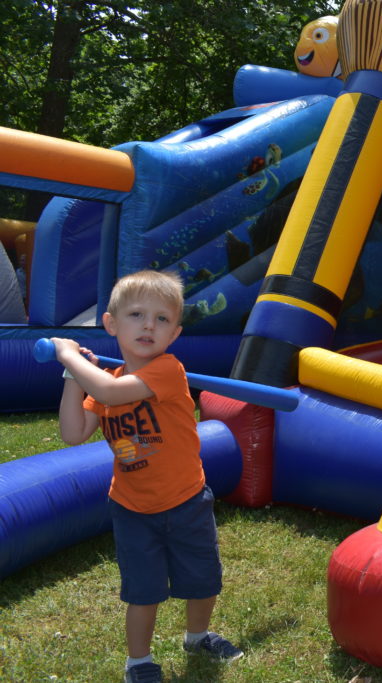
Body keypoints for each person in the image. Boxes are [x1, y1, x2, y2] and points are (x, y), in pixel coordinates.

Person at [51, 270, 242, 683]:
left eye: (161, 319)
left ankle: (198, 635)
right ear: (111, 324)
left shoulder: (167, 370)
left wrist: (66, 354)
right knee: (143, 591)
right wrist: (72, 375)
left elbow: (111, 395)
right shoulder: (107, 383)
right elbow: (72, 433)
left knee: (201, 578)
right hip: (133, 508)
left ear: (174, 333)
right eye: (137, 315)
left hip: (187, 500)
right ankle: (138, 661)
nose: (148, 325)